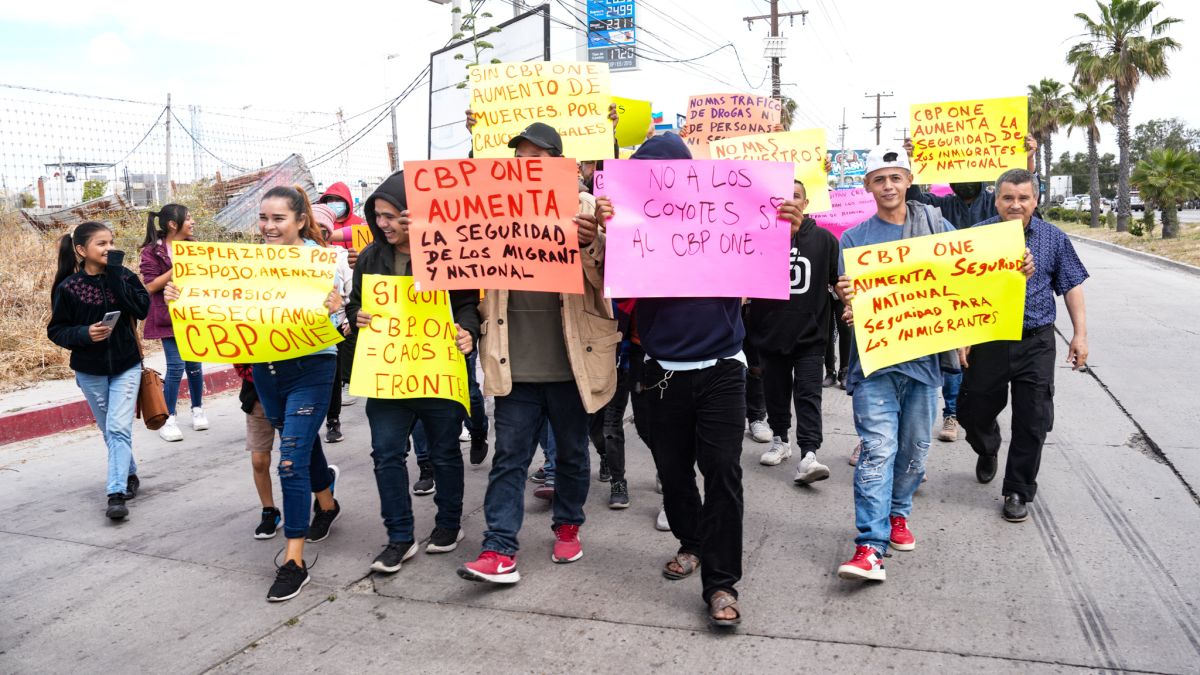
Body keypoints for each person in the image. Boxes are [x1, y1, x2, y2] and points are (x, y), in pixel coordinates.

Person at [596, 132, 754, 628]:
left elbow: (762, 259)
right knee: (674, 471)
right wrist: (604, 234)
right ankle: (692, 542)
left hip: (723, 369)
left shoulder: (728, 215)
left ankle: (722, 583)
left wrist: (784, 229)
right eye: (645, 177)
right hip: (660, 372)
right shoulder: (631, 228)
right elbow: (611, 292)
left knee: (723, 471)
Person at [457, 122, 619, 585]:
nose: (526, 165)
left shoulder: (588, 208)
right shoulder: (493, 208)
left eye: (536, 157)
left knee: (570, 453)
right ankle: (499, 548)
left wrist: (590, 242)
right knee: (510, 458)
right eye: (520, 157)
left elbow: (612, 277)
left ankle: (568, 525)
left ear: (559, 164)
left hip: (573, 360)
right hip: (514, 359)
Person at [168, 186, 344, 602]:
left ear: (301, 220)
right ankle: (327, 504)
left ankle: (293, 561)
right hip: (265, 372)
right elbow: (221, 308)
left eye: (278, 218)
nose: (267, 226)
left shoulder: (323, 263)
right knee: (301, 448)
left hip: (312, 368)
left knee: (289, 459)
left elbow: (344, 328)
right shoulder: (248, 264)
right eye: (263, 218)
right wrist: (184, 296)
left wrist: (338, 308)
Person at [346, 170, 480, 573]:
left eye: (393, 215)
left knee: (443, 453)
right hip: (387, 375)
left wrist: (468, 332)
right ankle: (399, 536)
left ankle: (449, 525)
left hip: (437, 371)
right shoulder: (371, 257)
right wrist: (359, 315)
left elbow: (469, 305)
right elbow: (355, 305)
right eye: (379, 216)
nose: (385, 224)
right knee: (386, 454)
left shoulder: (446, 251)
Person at [833, 146, 956, 583]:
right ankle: (869, 544)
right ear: (867, 186)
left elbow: (969, 271)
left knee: (913, 454)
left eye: (895, 177)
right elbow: (852, 299)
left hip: (923, 364)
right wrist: (849, 302)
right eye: (879, 179)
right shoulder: (853, 239)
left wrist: (1017, 266)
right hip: (874, 365)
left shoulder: (937, 227)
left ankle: (898, 514)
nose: (888, 186)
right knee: (877, 451)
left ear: (909, 181)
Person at [958, 168, 1088, 523]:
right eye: (1008, 198)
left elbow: (1071, 284)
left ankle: (1017, 488)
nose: (1016, 205)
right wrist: (963, 335)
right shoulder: (974, 237)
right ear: (996, 199)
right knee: (972, 411)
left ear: (1035, 200)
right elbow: (960, 291)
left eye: (1023, 198)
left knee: (1034, 418)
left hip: (1036, 340)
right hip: (988, 339)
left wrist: (1080, 334)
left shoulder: (1053, 238)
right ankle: (987, 448)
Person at [902, 137, 1038, 443]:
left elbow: (1023, 195)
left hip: (991, 291)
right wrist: (911, 161)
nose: (963, 181)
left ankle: (972, 416)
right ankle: (952, 413)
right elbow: (914, 199)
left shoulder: (994, 201)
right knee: (954, 353)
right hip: (951, 288)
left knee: (979, 367)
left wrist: (1027, 158)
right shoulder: (942, 205)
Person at [48, 221, 150, 520]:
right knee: (110, 430)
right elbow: (57, 330)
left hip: (126, 366)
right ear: (81, 250)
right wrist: (83, 334)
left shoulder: (125, 276)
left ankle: (116, 492)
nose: (109, 248)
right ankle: (129, 472)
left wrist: (118, 274)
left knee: (118, 428)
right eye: (101, 244)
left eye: (111, 242)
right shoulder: (69, 288)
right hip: (89, 371)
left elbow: (142, 309)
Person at [747, 179, 837, 484]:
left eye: (796, 197)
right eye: (783, 197)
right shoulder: (756, 237)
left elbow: (839, 281)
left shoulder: (825, 240)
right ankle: (780, 440)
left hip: (810, 338)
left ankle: (809, 453)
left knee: (808, 394)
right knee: (775, 393)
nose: (789, 202)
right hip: (770, 335)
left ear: (806, 204)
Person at [139, 204, 207, 442]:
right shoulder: (152, 252)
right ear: (172, 224)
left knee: (195, 365)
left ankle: (197, 409)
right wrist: (180, 268)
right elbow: (150, 286)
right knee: (176, 366)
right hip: (168, 316)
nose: (193, 222)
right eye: (189, 218)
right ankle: (169, 419)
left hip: (194, 314)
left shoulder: (195, 247)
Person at [311, 203, 354, 444]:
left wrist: (346, 317)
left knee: (332, 378)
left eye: (323, 229)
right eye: (313, 227)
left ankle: (333, 421)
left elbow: (350, 290)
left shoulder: (340, 257)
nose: (318, 233)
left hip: (333, 326)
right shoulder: (296, 256)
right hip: (304, 326)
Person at [235, 364, 281, 539]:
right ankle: (269, 511)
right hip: (257, 395)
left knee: (297, 457)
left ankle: (324, 486)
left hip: (293, 391)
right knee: (259, 460)